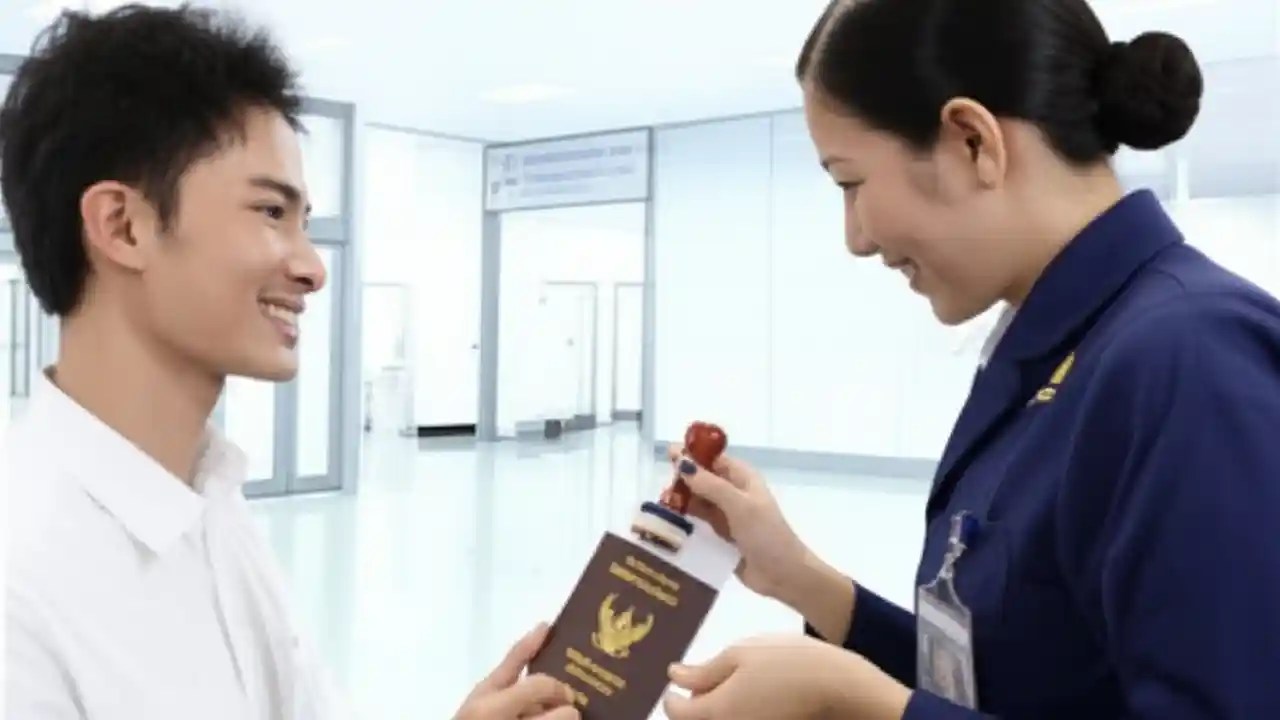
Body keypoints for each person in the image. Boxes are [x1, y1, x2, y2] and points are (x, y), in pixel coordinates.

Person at [659, 0, 1280, 718]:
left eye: (850, 183)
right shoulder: (1060, 349)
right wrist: (802, 580)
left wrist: (859, 705)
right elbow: (1013, 682)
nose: (855, 238)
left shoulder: (1191, 360)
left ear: (972, 141)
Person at [0, 6, 577, 720]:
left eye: (304, 221)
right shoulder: (18, 581)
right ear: (123, 225)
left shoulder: (213, 503)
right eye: (272, 212)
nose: (311, 267)